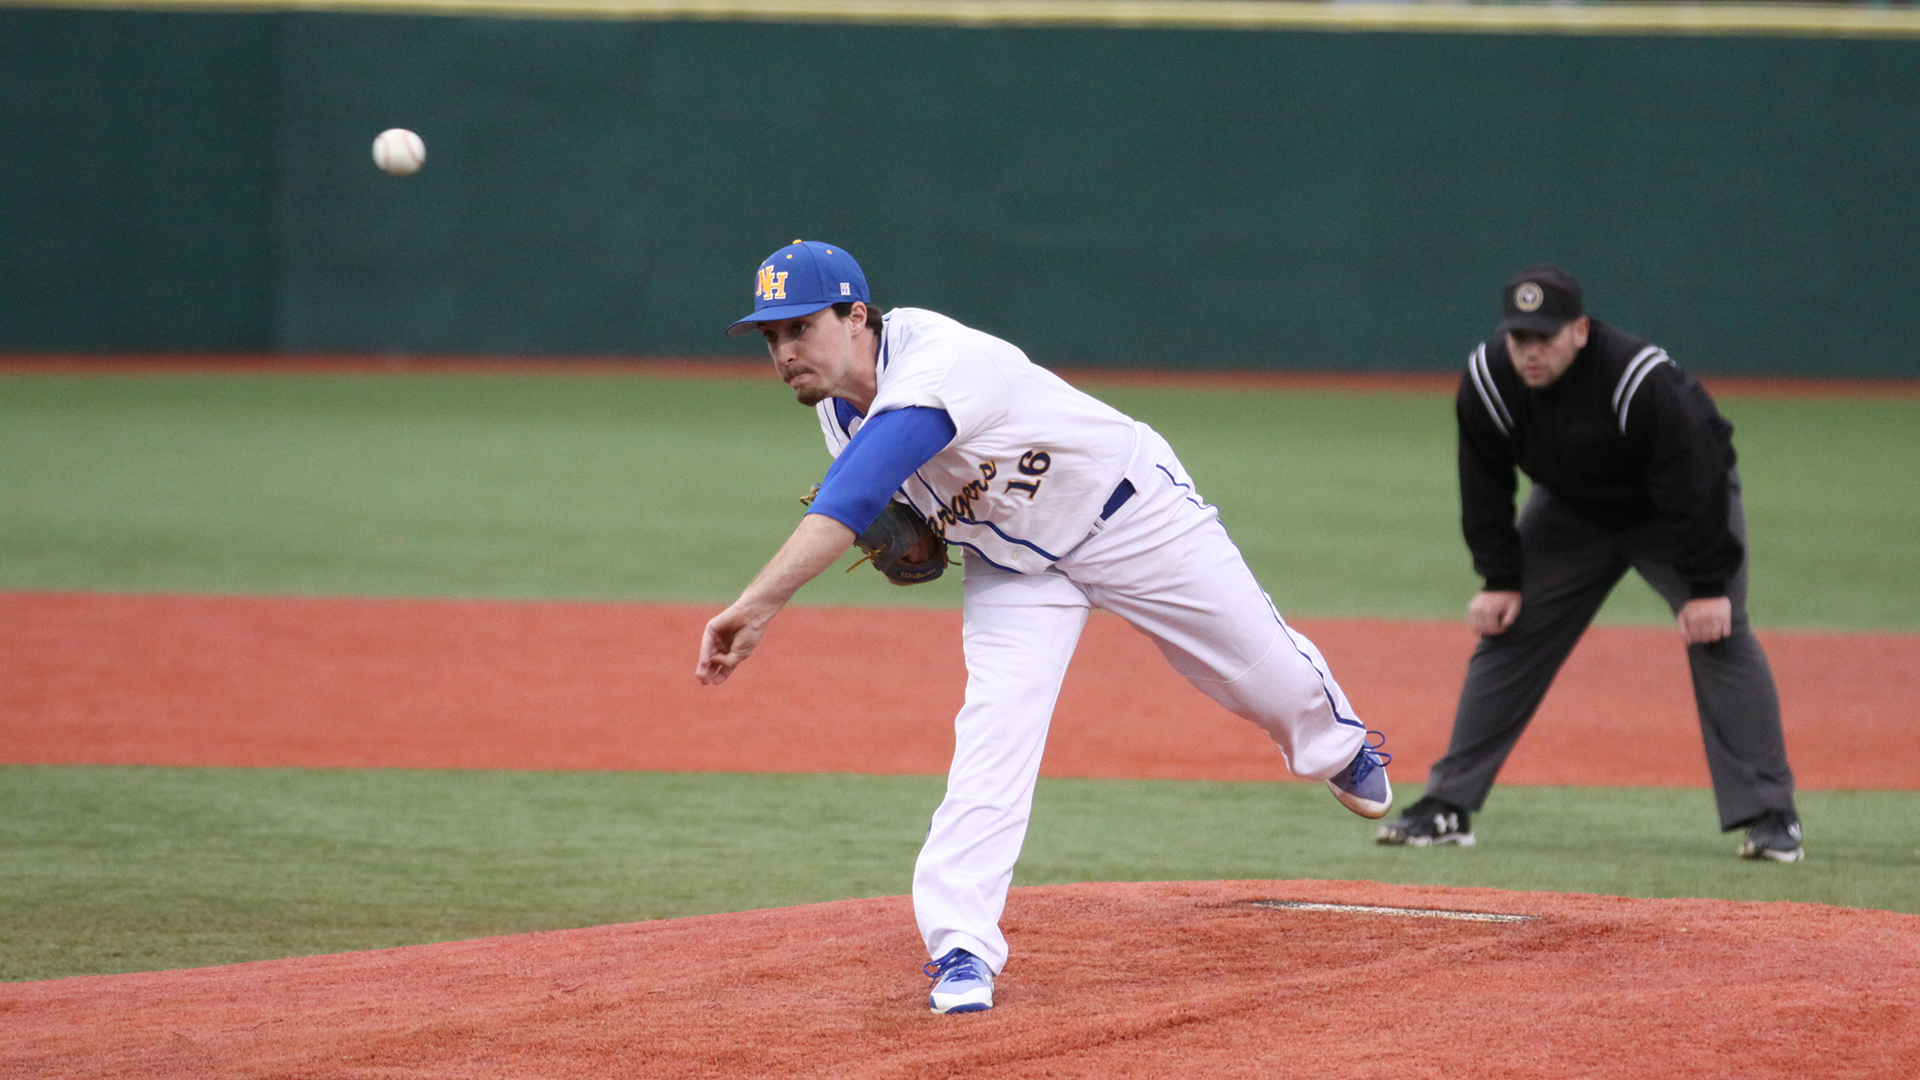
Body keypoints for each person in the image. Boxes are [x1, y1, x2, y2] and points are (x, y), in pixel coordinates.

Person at [696, 239, 1394, 1014]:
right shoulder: (838, 409)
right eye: (770, 336)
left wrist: (756, 603)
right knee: (992, 737)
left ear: (856, 315)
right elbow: (897, 504)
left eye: (800, 328)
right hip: (1016, 570)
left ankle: (1336, 744)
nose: (784, 352)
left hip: (1129, 514)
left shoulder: (940, 360)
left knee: (1264, 675)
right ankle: (961, 948)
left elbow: (855, 493)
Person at [1376, 265, 1802, 862]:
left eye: (1545, 337)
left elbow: (1697, 475)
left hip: (1673, 508)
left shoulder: (1637, 377)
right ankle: (1447, 805)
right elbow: (1483, 479)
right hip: (1572, 512)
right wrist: (1499, 578)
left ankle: (1772, 816)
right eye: (1520, 338)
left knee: (1718, 633)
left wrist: (1708, 585)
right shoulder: (1489, 378)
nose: (1531, 351)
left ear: (1579, 331)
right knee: (1508, 631)